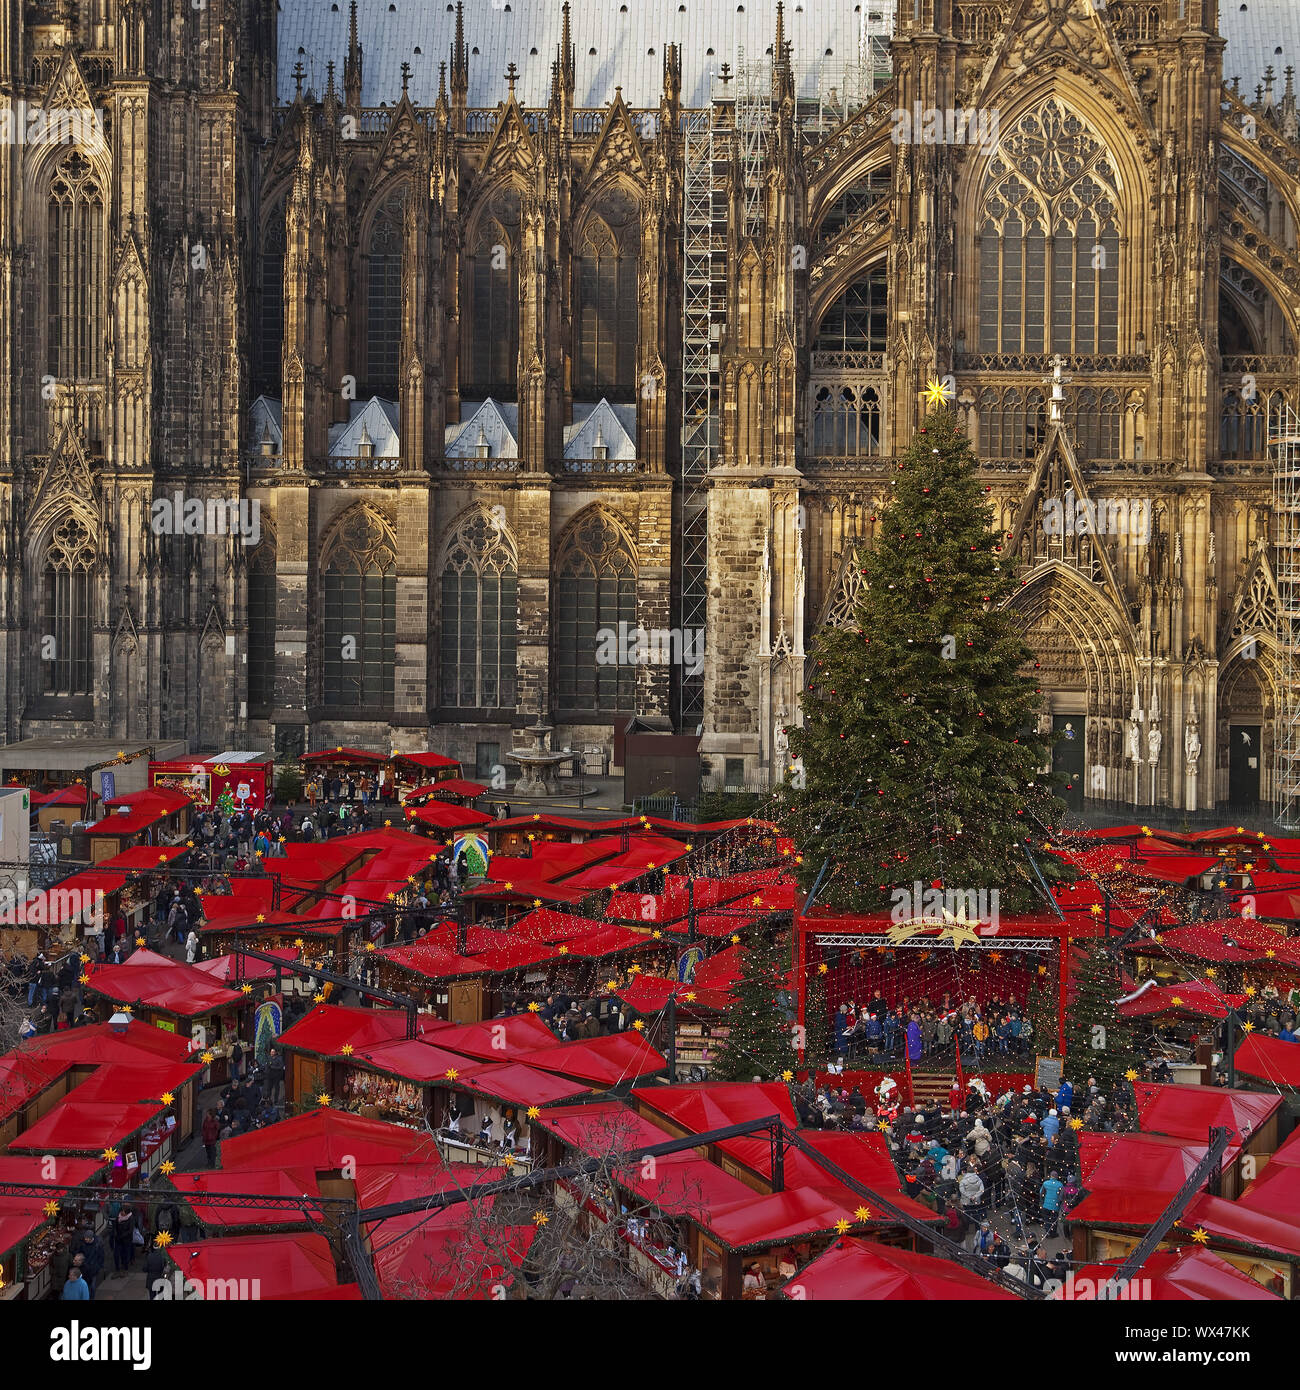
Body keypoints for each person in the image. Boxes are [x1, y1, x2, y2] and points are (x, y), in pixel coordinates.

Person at [77, 1228, 105, 1299]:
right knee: (85, 1286)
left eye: (87, 1238)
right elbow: (80, 1252)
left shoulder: (97, 1245)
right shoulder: (83, 1244)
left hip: (93, 1269)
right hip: (84, 1268)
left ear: (91, 1238)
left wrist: (98, 1267)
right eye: (85, 1238)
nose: (85, 1239)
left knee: (92, 1286)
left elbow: (101, 1257)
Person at [1040, 1171, 1064, 1238]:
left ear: (1050, 1176)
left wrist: (1042, 1200)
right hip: (1055, 1206)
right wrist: (1059, 1202)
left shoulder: (1045, 1183)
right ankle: (1053, 1233)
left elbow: (1041, 1193)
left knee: (1047, 1219)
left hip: (1046, 1205)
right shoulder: (1060, 1184)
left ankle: (1048, 1233)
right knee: (1054, 1220)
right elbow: (1061, 1196)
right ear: (1057, 1176)